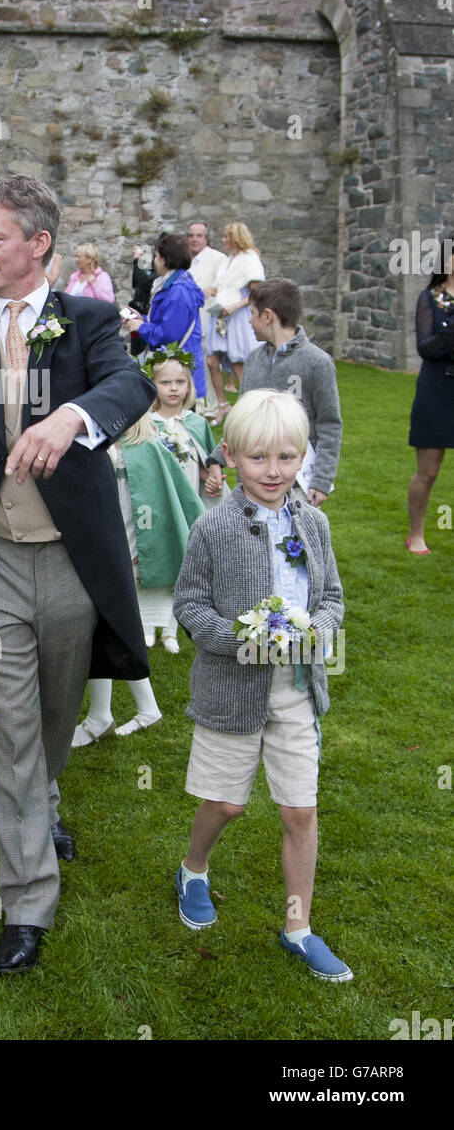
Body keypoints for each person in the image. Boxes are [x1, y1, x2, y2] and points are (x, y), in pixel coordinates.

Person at [0, 174, 153, 974]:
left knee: (52, 716)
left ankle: (44, 805)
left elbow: (130, 385)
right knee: (11, 734)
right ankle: (26, 904)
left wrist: (68, 415)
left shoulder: (85, 323)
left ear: (37, 244)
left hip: (73, 563)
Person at [172, 389, 351, 981]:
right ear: (229, 456)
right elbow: (190, 606)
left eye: (286, 457)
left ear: (303, 456)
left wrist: (314, 632)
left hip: (296, 686)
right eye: (257, 459)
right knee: (227, 802)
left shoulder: (314, 523)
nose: (272, 472)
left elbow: (330, 598)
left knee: (301, 811)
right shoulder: (213, 528)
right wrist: (240, 637)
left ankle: (298, 927)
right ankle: (194, 868)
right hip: (232, 686)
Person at [73, 352, 221, 748]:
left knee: (112, 629)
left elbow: (164, 504)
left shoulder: (146, 450)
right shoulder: (97, 449)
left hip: (126, 556)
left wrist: (141, 551)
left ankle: (114, 713)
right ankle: (113, 712)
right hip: (103, 553)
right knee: (103, 631)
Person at [205, 279, 342, 509]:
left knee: (293, 544)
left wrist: (321, 480)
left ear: (267, 316)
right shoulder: (254, 359)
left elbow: (330, 425)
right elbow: (242, 418)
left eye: (252, 313)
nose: (249, 320)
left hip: (296, 484)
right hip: (252, 480)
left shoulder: (317, 363)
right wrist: (217, 459)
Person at [406, 241, 454, 554]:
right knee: (429, 470)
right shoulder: (432, 298)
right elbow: (425, 347)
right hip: (437, 389)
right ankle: (417, 533)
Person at [122, 234, 207, 401]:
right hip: (174, 368)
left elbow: (170, 335)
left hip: (179, 371)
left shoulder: (178, 291)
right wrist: (143, 319)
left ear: (165, 259)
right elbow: (167, 322)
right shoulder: (174, 285)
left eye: (157, 256)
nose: (154, 261)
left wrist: (141, 327)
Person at [206, 223, 265, 422]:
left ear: (235, 238)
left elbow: (256, 293)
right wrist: (210, 291)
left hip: (237, 315)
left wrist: (236, 306)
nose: (222, 240)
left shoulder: (250, 258)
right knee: (212, 361)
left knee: (238, 363)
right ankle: (223, 405)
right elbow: (222, 287)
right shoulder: (227, 261)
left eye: (225, 236)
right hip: (220, 314)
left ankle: (249, 412)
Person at [187, 221, 226, 415]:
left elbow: (226, 286)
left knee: (208, 364)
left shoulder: (218, 259)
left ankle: (210, 406)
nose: (194, 239)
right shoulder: (185, 259)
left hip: (208, 319)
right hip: (190, 322)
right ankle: (197, 403)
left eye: (198, 235)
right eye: (191, 235)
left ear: (206, 238)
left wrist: (211, 291)